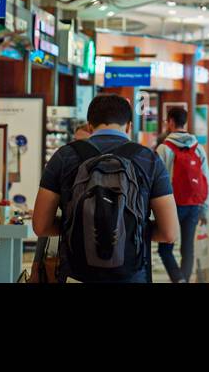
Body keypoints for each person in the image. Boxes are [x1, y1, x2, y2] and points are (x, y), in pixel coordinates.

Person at [32, 93, 179, 283]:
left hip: (76, 274)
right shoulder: (148, 160)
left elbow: (41, 226)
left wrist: (74, 223)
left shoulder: (64, 157)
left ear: (90, 125)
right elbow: (170, 233)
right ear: (128, 126)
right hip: (131, 274)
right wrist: (132, 230)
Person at [154, 106, 209, 283]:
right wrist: (204, 207)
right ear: (185, 122)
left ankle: (178, 279)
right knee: (187, 249)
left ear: (170, 122)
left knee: (165, 249)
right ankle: (183, 279)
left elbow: (155, 180)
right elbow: (206, 178)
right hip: (194, 204)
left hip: (171, 206)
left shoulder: (164, 149)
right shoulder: (198, 148)